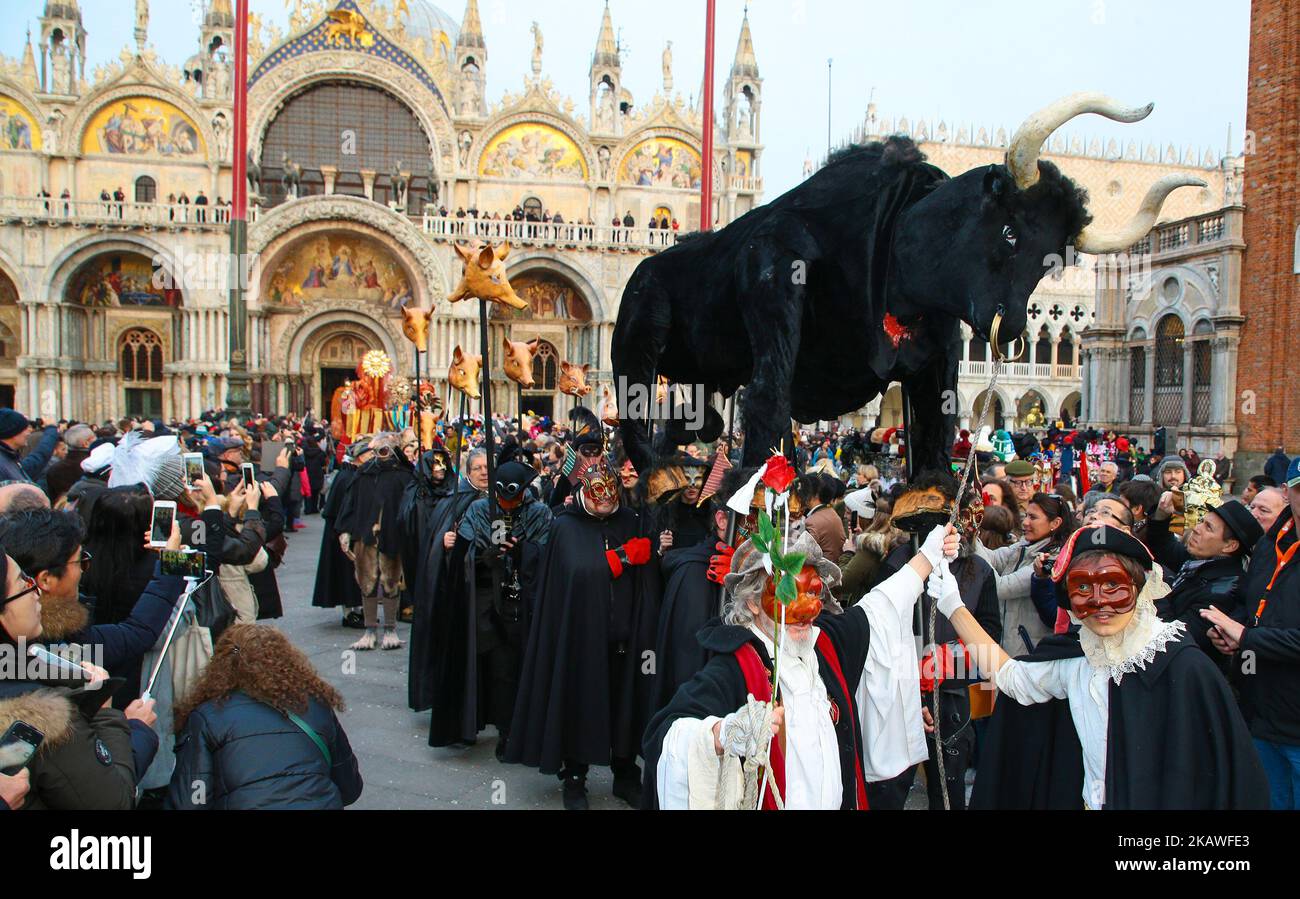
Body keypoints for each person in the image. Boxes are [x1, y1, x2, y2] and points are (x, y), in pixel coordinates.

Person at [644, 525, 960, 809]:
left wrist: (930, 553)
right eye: (789, 592)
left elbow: (882, 604)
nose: (808, 607)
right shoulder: (734, 668)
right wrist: (723, 732)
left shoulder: (826, 643)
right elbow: (667, 733)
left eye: (812, 591)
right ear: (753, 602)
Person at [958, 525, 1269, 809]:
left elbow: (1228, 782)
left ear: (1139, 589)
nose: (1098, 602)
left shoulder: (1186, 668)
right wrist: (952, 606)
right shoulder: (1077, 658)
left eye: (1112, 585)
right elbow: (1013, 678)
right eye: (1082, 588)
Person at [505, 458, 660, 810]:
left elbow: (648, 572)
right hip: (580, 636)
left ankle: (625, 773)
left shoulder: (631, 521)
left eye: (611, 494)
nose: (605, 500)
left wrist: (655, 549)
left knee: (625, 705)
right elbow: (578, 572)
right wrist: (621, 556)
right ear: (584, 494)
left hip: (626, 637)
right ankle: (575, 779)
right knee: (579, 704)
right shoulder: (566, 527)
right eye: (597, 495)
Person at [0, 548, 160, 809]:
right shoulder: (40, 716)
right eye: (22, 583)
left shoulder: (28, 667)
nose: (35, 592)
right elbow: (113, 802)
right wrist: (113, 717)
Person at [430, 445, 550, 755]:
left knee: (519, 665)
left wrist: (524, 554)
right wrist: (482, 557)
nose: (508, 504)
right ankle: (501, 728)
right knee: (497, 668)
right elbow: (462, 557)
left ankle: (518, 728)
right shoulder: (478, 510)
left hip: (524, 604)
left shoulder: (539, 513)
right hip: (486, 605)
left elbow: (549, 555)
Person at [166, 625, 362, 809]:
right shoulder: (316, 705)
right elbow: (350, 788)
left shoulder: (207, 716)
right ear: (286, 660)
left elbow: (190, 802)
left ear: (220, 667)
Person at [1201, 457, 1300, 809]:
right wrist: (1229, 632)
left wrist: (1244, 636)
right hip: (1260, 711)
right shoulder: (1270, 545)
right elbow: (1247, 598)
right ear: (1289, 494)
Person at [405, 446, 477, 712]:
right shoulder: (450, 499)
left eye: (486, 468)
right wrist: (443, 542)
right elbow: (425, 537)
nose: (483, 473)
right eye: (477, 468)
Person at [1143, 500, 1262, 659]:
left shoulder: (1224, 592)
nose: (1196, 528)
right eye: (1201, 521)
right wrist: (1164, 514)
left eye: (1208, 527)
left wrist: (1156, 584)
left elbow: (1173, 637)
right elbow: (1164, 546)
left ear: (1229, 546)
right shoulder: (1199, 562)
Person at [336, 433, 413, 651]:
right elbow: (349, 504)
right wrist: (345, 531)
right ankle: (369, 631)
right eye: (378, 448)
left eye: (387, 447)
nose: (382, 451)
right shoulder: (364, 474)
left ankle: (390, 629)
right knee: (366, 582)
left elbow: (411, 508)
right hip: (365, 537)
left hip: (392, 537)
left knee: (391, 581)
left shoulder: (404, 475)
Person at [973, 492, 1075, 656]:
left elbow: (1000, 587)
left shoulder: (1052, 559)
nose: (1025, 522)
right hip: (1007, 647)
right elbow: (994, 558)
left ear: (1055, 523)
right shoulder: (1025, 544)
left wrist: (971, 537)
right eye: (1026, 515)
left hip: (1028, 653)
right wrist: (971, 535)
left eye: (1033, 517)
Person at [312, 437, 368, 626]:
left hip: (348, 530)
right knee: (346, 574)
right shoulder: (348, 477)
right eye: (368, 454)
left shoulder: (353, 475)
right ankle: (350, 612)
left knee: (355, 573)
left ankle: (359, 609)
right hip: (343, 532)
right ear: (359, 458)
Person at [0, 411, 59, 484]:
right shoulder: (4, 463)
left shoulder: (10, 458)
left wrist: (51, 429)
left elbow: (39, 456)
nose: (29, 431)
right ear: (12, 433)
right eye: (24, 429)